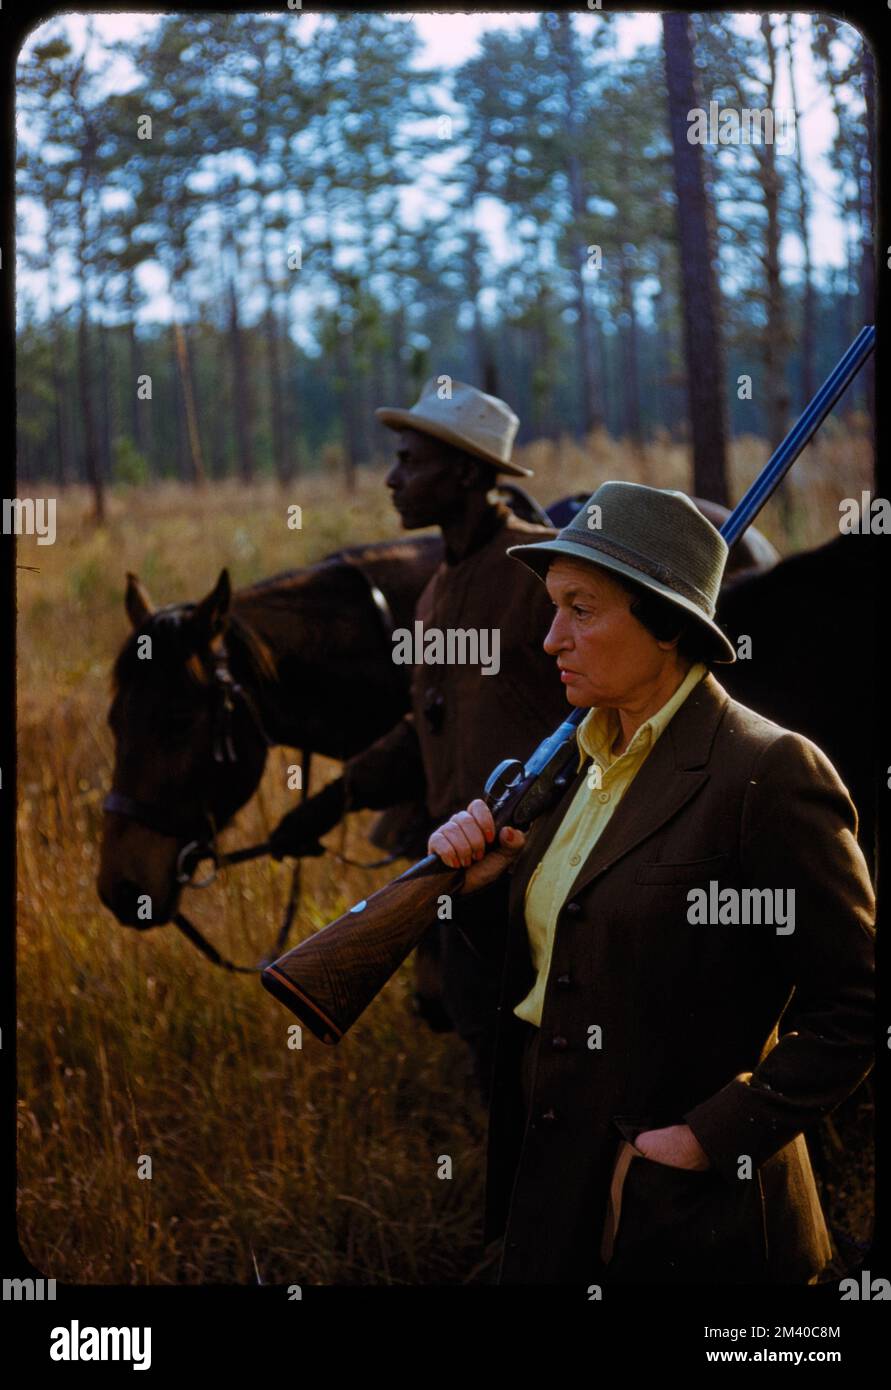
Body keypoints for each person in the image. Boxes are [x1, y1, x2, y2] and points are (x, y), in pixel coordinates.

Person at [428, 480, 875, 1285]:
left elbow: (856, 1003)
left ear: (667, 626)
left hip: (698, 1223)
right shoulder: (572, 768)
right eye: (553, 608)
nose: (550, 639)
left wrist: (704, 1141)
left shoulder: (766, 773)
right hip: (554, 1187)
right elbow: (558, 968)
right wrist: (481, 890)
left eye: (581, 610)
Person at [269, 377, 568, 1101]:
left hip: (554, 874)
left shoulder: (546, 570)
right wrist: (333, 800)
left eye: (410, 462)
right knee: (488, 1050)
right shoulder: (436, 592)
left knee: (563, 1062)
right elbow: (426, 723)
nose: (391, 478)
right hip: (464, 875)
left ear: (465, 472)